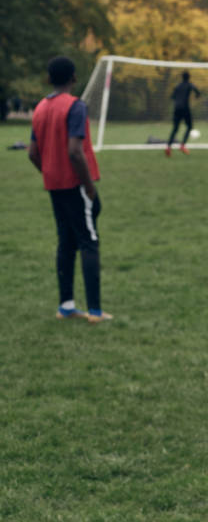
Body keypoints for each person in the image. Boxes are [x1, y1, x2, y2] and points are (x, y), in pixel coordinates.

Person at [28, 56, 112, 323]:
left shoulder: (40, 108)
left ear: (49, 79)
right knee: (89, 242)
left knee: (66, 243)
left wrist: (49, 171)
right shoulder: (75, 107)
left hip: (55, 186)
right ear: (74, 78)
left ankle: (66, 306)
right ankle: (95, 312)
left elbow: (32, 153)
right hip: (75, 185)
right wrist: (88, 186)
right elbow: (75, 151)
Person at [165, 70, 199, 156]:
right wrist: (196, 96)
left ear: (182, 77)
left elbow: (172, 97)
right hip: (185, 108)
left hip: (177, 108)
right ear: (189, 77)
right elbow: (197, 92)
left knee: (175, 129)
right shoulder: (189, 84)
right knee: (190, 126)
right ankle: (182, 145)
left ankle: (168, 147)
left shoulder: (177, 86)